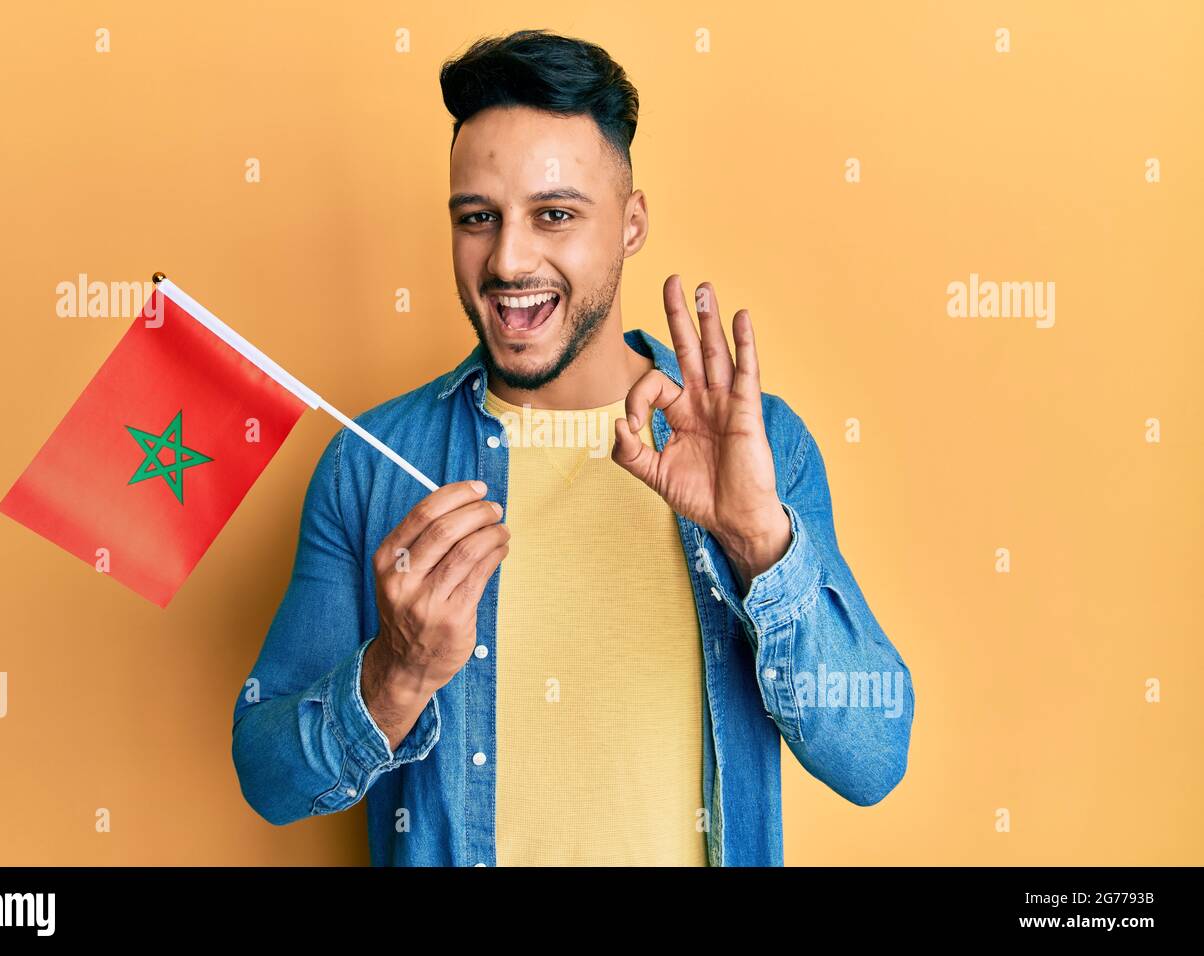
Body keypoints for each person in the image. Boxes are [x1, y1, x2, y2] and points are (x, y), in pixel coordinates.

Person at [231, 28, 914, 866]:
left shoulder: (758, 448)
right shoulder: (372, 462)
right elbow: (266, 776)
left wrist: (757, 544)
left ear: (631, 225)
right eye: (478, 218)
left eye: (555, 215)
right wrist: (394, 675)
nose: (509, 259)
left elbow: (873, 758)